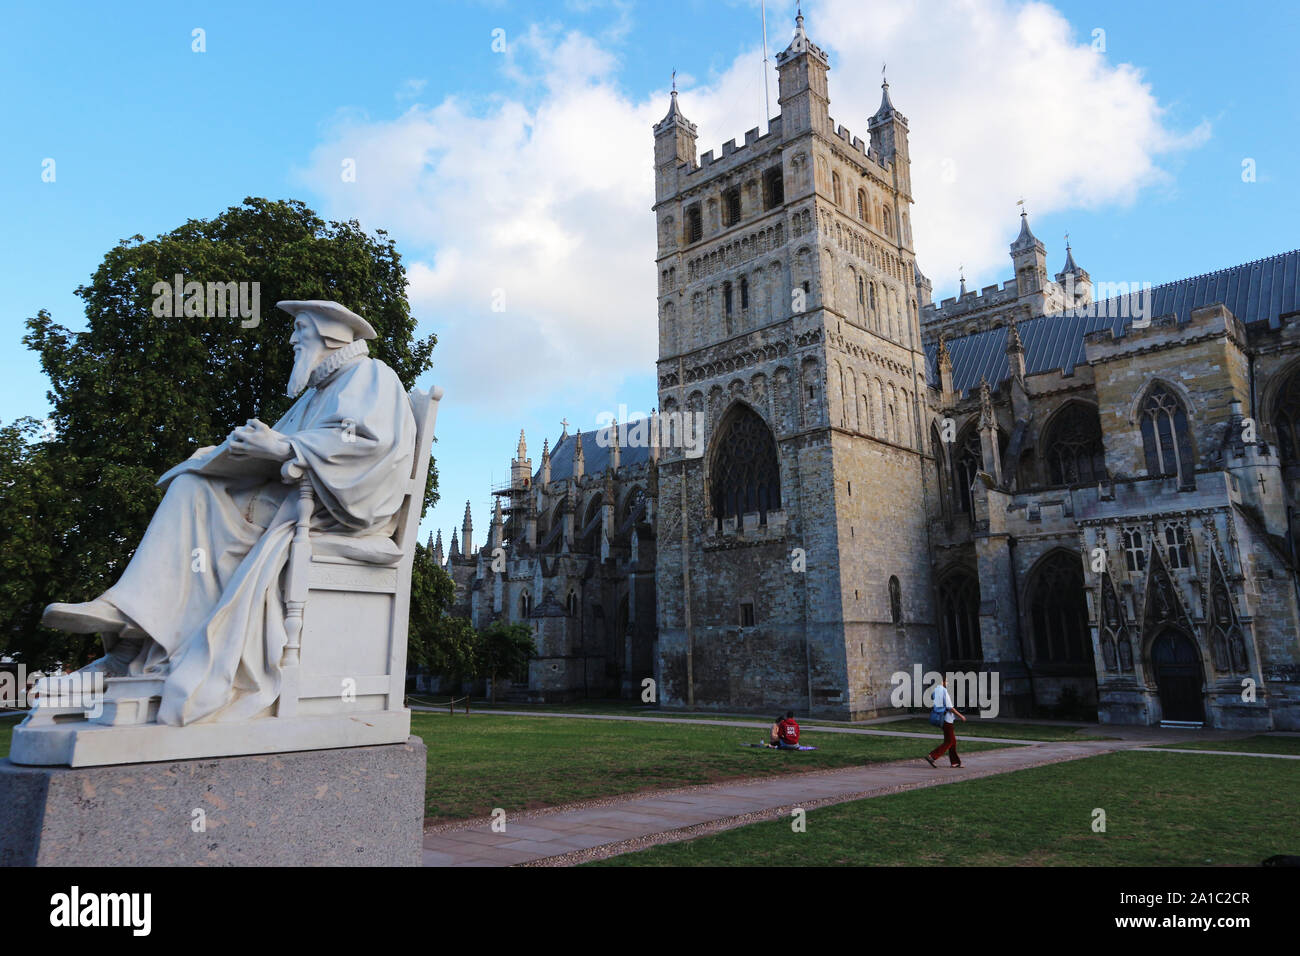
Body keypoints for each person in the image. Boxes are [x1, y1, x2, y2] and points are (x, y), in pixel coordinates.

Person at [39, 300, 416, 727]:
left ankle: (134, 635)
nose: (292, 339)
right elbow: (289, 446)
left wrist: (285, 448)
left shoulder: (371, 376)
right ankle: (135, 644)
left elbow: (370, 445)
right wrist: (245, 449)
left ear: (329, 337)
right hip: (291, 503)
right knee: (195, 486)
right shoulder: (320, 389)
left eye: (300, 331)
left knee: (196, 495)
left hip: (332, 511)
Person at [924, 675, 965, 768]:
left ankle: (955, 762)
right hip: (947, 719)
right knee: (950, 741)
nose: (947, 683)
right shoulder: (943, 690)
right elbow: (950, 707)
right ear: (941, 682)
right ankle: (932, 756)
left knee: (952, 741)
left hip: (942, 718)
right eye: (946, 681)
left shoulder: (935, 691)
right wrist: (961, 716)